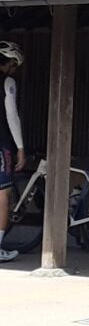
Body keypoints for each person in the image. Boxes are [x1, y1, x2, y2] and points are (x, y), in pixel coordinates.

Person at [0, 42, 25, 262]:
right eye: (14, 65)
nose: (14, 70)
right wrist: (20, 148)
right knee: (3, 194)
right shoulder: (7, 82)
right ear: (8, 63)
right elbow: (12, 116)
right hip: (1, 143)